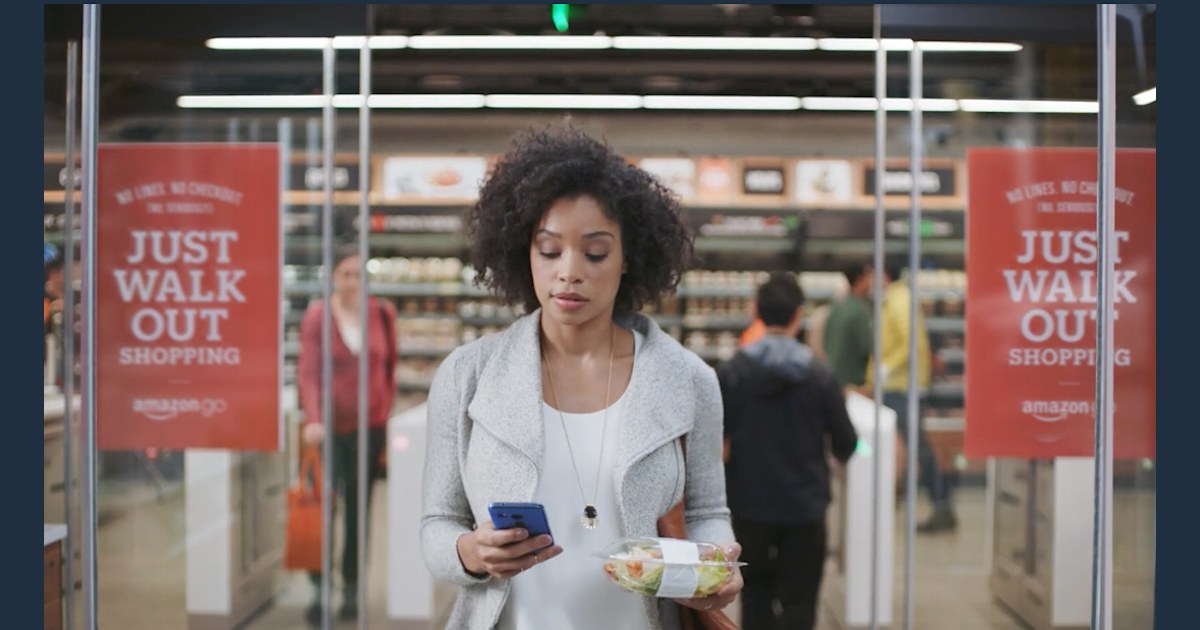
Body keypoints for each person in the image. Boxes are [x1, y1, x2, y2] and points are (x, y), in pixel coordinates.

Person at [420, 124, 743, 630]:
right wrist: (470, 552)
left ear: (628, 259)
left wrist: (716, 565)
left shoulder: (687, 379)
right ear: (523, 252)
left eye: (595, 253)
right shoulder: (468, 376)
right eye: (549, 250)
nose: (569, 271)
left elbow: (707, 509)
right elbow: (438, 525)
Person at [717, 271, 858, 630]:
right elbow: (847, 441)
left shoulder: (733, 371)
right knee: (801, 599)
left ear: (755, 311)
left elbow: (715, 437)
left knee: (754, 594)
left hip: (750, 504)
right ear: (799, 314)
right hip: (804, 505)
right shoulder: (819, 374)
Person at [297, 243, 399, 624]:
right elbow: (308, 371)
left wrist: (383, 414)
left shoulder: (382, 314)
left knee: (359, 511)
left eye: (360, 274)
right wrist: (313, 418)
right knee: (322, 511)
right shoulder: (317, 316)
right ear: (333, 277)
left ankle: (352, 589)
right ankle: (319, 589)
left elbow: (389, 368)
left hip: (367, 429)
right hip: (325, 432)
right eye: (346, 274)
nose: (354, 281)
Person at [865, 261, 955, 533]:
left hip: (901, 386)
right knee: (911, 446)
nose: (869, 281)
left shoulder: (899, 300)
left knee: (916, 447)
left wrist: (885, 368)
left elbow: (908, 343)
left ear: (883, 274)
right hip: (897, 385)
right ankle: (937, 504)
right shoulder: (892, 300)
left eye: (871, 274)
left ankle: (941, 505)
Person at [823, 261, 874, 391]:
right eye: (869, 277)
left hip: (833, 380)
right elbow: (866, 347)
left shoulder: (836, 307)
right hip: (853, 383)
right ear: (859, 280)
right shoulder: (859, 310)